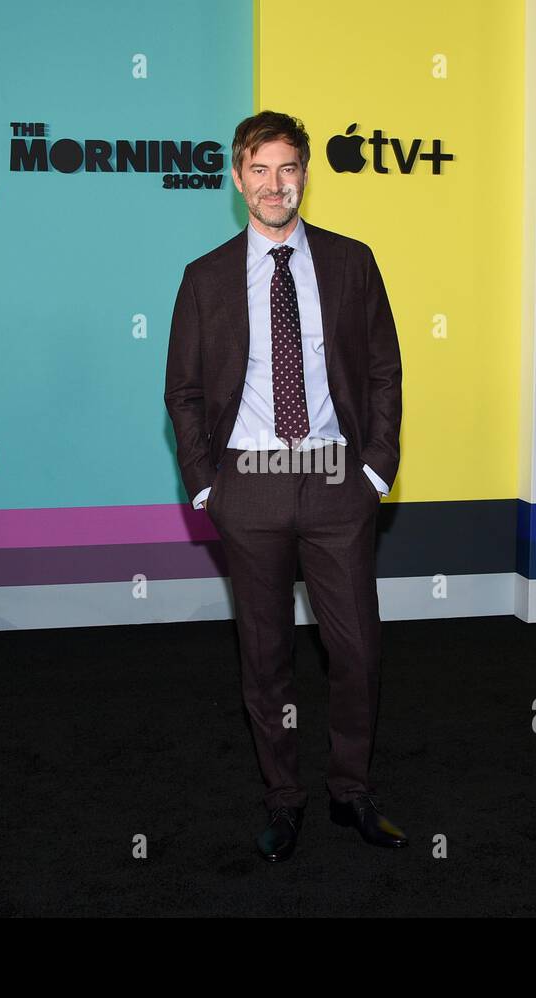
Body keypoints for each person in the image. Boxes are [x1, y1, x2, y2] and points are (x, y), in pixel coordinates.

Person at [165, 110, 407, 863]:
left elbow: (382, 372)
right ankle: (283, 798)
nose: (276, 185)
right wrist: (209, 486)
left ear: (306, 173)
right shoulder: (205, 277)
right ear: (238, 180)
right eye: (260, 170)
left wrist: (373, 468)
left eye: (288, 168)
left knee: (357, 651)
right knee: (266, 658)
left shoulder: (351, 261)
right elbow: (184, 392)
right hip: (252, 485)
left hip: (337, 480)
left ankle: (350, 790)